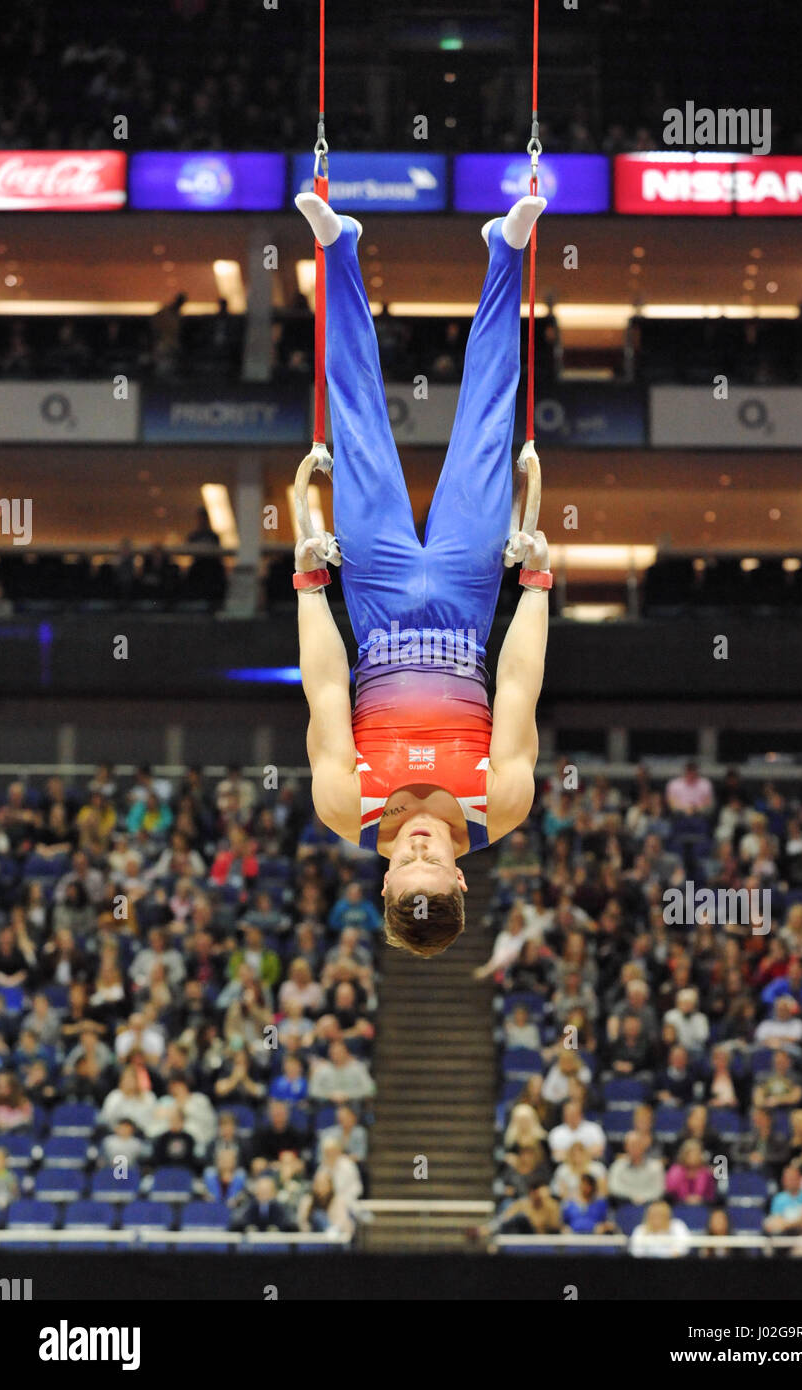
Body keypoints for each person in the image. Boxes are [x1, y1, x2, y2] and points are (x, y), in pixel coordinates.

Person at [294, 189, 549, 957]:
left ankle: (338, 250)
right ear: (462, 878)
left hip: (374, 596)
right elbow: (516, 686)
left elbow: (327, 687)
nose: (418, 848)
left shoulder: (346, 804)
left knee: (357, 418)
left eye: (406, 864)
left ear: (384, 883)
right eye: (433, 862)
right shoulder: (500, 803)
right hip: (470, 598)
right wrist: (535, 585)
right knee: (487, 421)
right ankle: (507, 251)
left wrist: (311, 588)